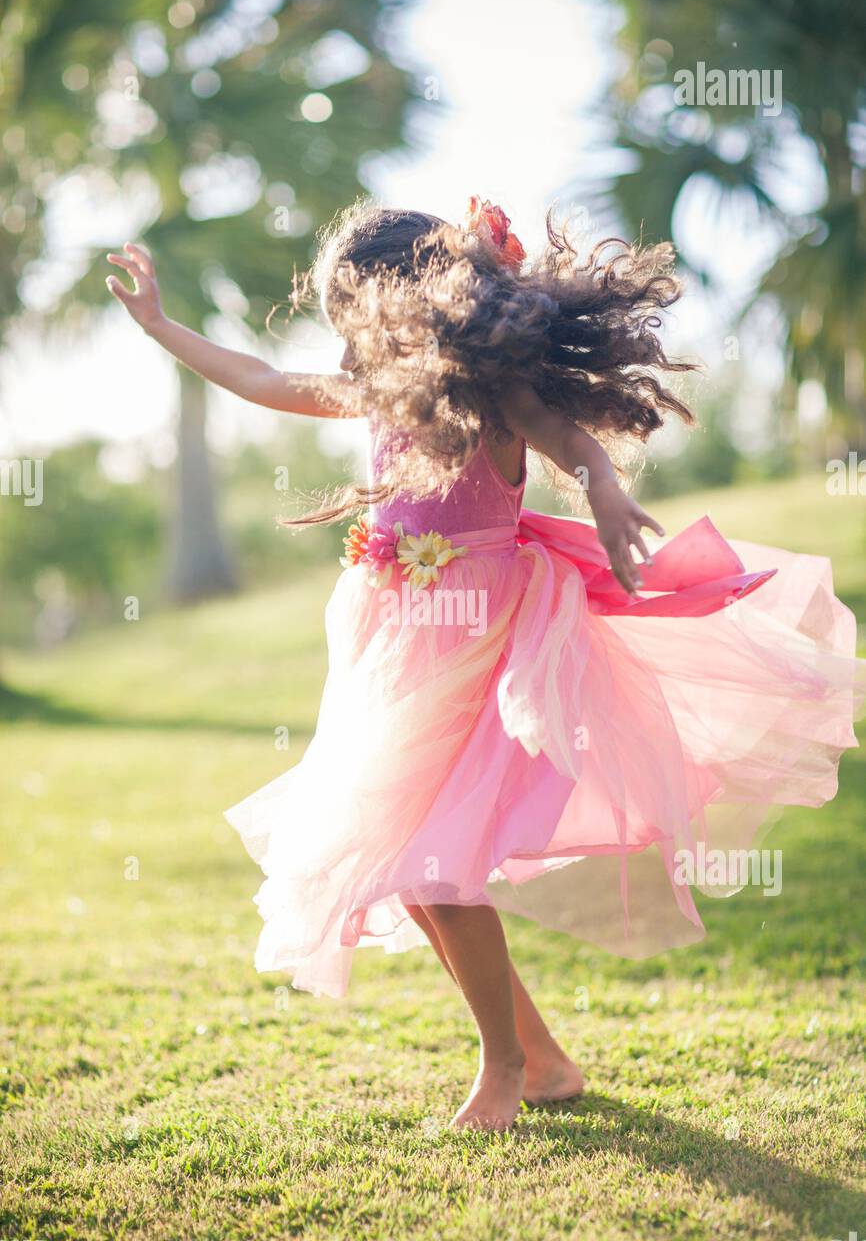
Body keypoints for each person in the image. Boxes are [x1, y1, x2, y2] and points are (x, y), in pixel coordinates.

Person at [106, 198, 863, 1130]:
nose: (346, 329)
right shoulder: (382, 392)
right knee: (412, 869)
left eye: (354, 302)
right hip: (395, 643)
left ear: (410, 293)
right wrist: (159, 326)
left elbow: (576, 444)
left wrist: (612, 499)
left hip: (477, 643)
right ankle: (541, 1061)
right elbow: (260, 377)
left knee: (434, 868)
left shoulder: (495, 397)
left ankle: (503, 1068)